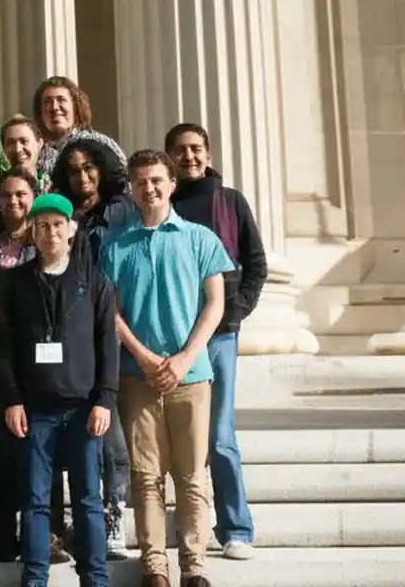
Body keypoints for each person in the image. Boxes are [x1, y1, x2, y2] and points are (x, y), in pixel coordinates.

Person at [100, 149, 234, 587]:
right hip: (137, 377)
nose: (149, 188)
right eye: (141, 182)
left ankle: (194, 565)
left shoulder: (200, 238)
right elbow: (111, 314)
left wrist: (185, 357)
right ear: (132, 189)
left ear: (172, 183)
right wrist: (142, 355)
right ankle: (154, 564)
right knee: (145, 476)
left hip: (191, 377)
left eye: (157, 180)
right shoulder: (115, 245)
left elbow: (215, 304)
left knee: (193, 476)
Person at [0, 193, 118, 587]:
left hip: (83, 408)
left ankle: (95, 578)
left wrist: (105, 400)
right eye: (43, 225)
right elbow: (5, 347)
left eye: (58, 225)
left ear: (71, 230)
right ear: (32, 232)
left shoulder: (94, 283)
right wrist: (12, 399)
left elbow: (107, 346)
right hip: (35, 410)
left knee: (87, 501)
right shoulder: (15, 283)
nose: (51, 232)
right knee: (34, 501)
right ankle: (34, 578)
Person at [166, 123, 268, 561]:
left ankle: (235, 527)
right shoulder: (163, 203)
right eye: (180, 151)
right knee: (179, 437)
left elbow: (256, 263)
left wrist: (237, 309)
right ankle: (189, 524)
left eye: (196, 149)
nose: (189, 157)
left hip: (220, 334)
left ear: (207, 154)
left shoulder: (231, 202)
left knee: (220, 435)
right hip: (174, 336)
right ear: (170, 158)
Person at [50, 136, 135, 558]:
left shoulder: (119, 213)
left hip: (108, 327)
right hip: (69, 334)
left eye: (89, 168)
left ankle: (115, 517)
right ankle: (76, 522)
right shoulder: (59, 215)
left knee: (111, 436)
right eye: (73, 170)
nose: (82, 177)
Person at [0, 164, 37, 561]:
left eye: (20, 195)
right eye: (6, 196)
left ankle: (41, 536)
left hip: (41, 362)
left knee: (38, 454)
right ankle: (0, 535)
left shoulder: (49, 241)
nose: (13, 201)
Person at [31, 77, 125, 193]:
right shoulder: (34, 151)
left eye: (61, 100)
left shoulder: (98, 143)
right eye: (47, 101)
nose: (54, 107)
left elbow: (123, 183)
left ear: (75, 106)